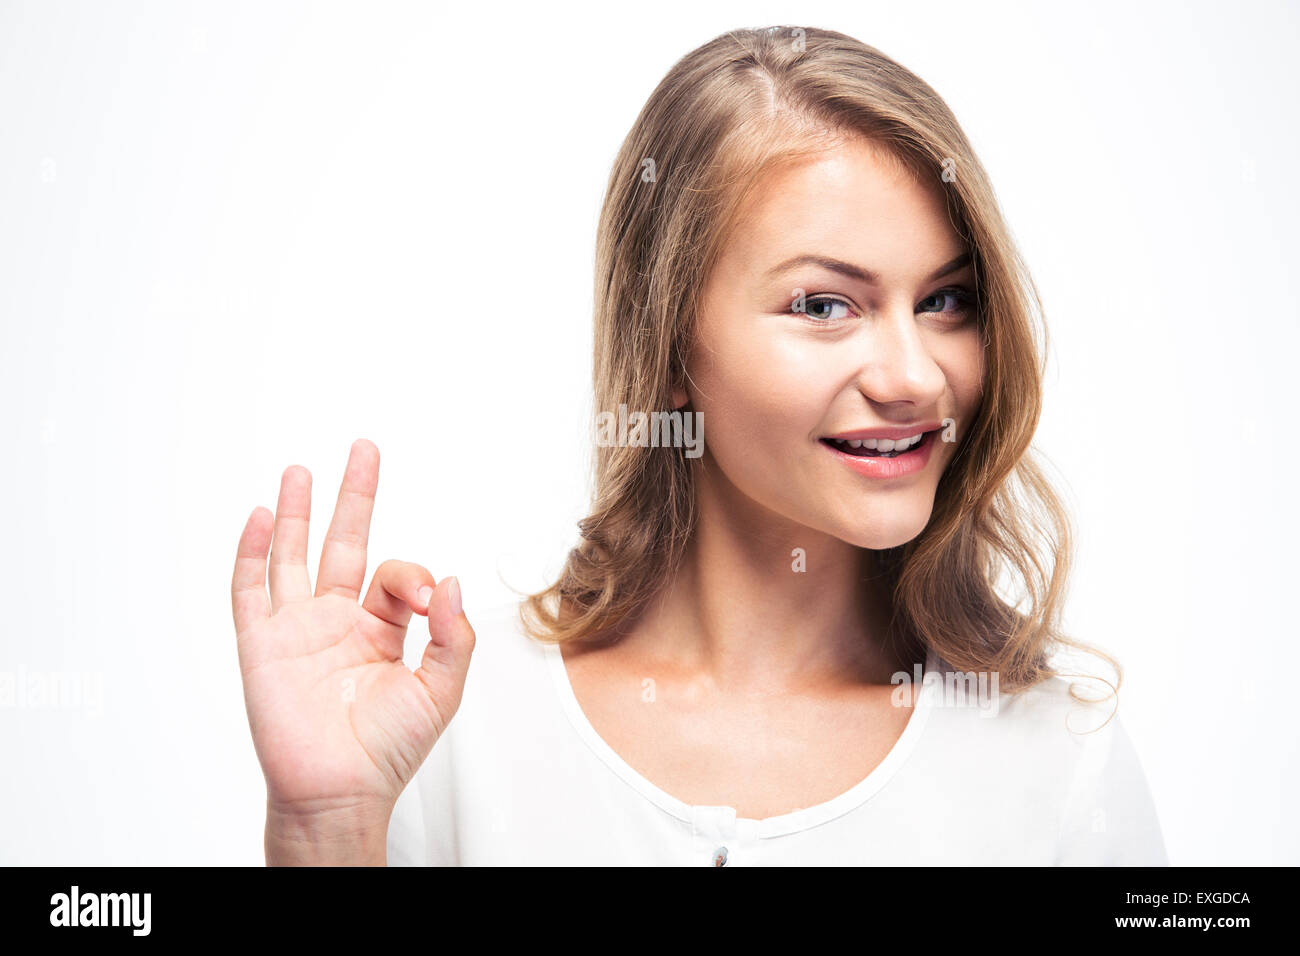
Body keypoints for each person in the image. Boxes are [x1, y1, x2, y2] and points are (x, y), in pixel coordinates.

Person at [230, 25, 1168, 866]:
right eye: (824, 305)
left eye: (944, 300)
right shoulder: (456, 727)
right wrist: (327, 830)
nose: (917, 377)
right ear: (673, 343)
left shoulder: (1057, 755)